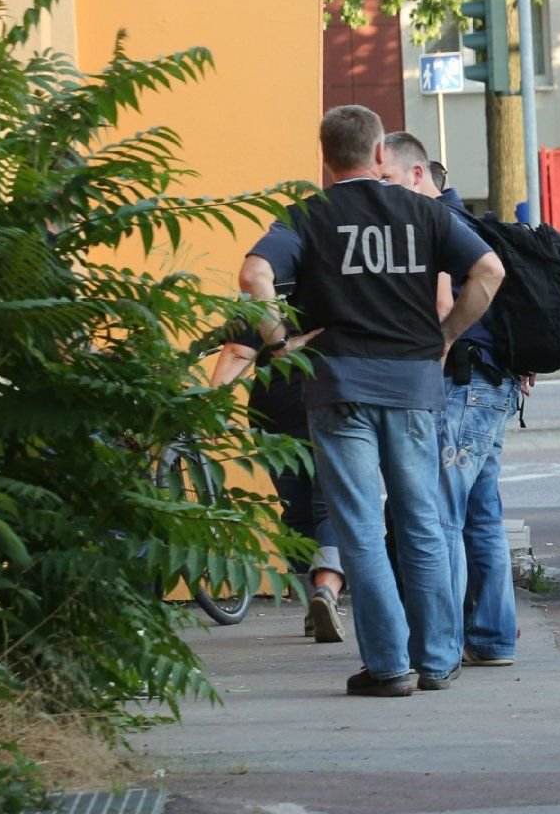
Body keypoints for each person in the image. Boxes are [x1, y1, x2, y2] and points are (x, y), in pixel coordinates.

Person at [238, 105, 504, 697]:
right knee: (422, 522)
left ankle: (388, 667)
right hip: (413, 386)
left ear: (324, 157)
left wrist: (280, 344)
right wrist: (449, 334)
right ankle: (436, 659)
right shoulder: (425, 212)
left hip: (338, 388)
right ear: (381, 152)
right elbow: (488, 270)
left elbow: (255, 275)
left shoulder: (306, 217)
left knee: (358, 529)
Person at [380, 132, 524, 666]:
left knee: (441, 515)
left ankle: (446, 642)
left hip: (459, 386)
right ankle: (492, 637)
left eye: (389, 180)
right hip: (492, 383)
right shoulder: (472, 222)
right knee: (481, 515)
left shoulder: (434, 226)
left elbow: (443, 301)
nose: (383, 193)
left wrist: (441, 340)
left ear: (418, 175)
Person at [208, 306, 347, 642]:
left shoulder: (269, 290)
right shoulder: (337, 279)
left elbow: (238, 351)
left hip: (275, 410)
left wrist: (211, 405)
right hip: (336, 398)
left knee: (296, 510)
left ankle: (308, 605)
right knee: (333, 504)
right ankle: (326, 589)